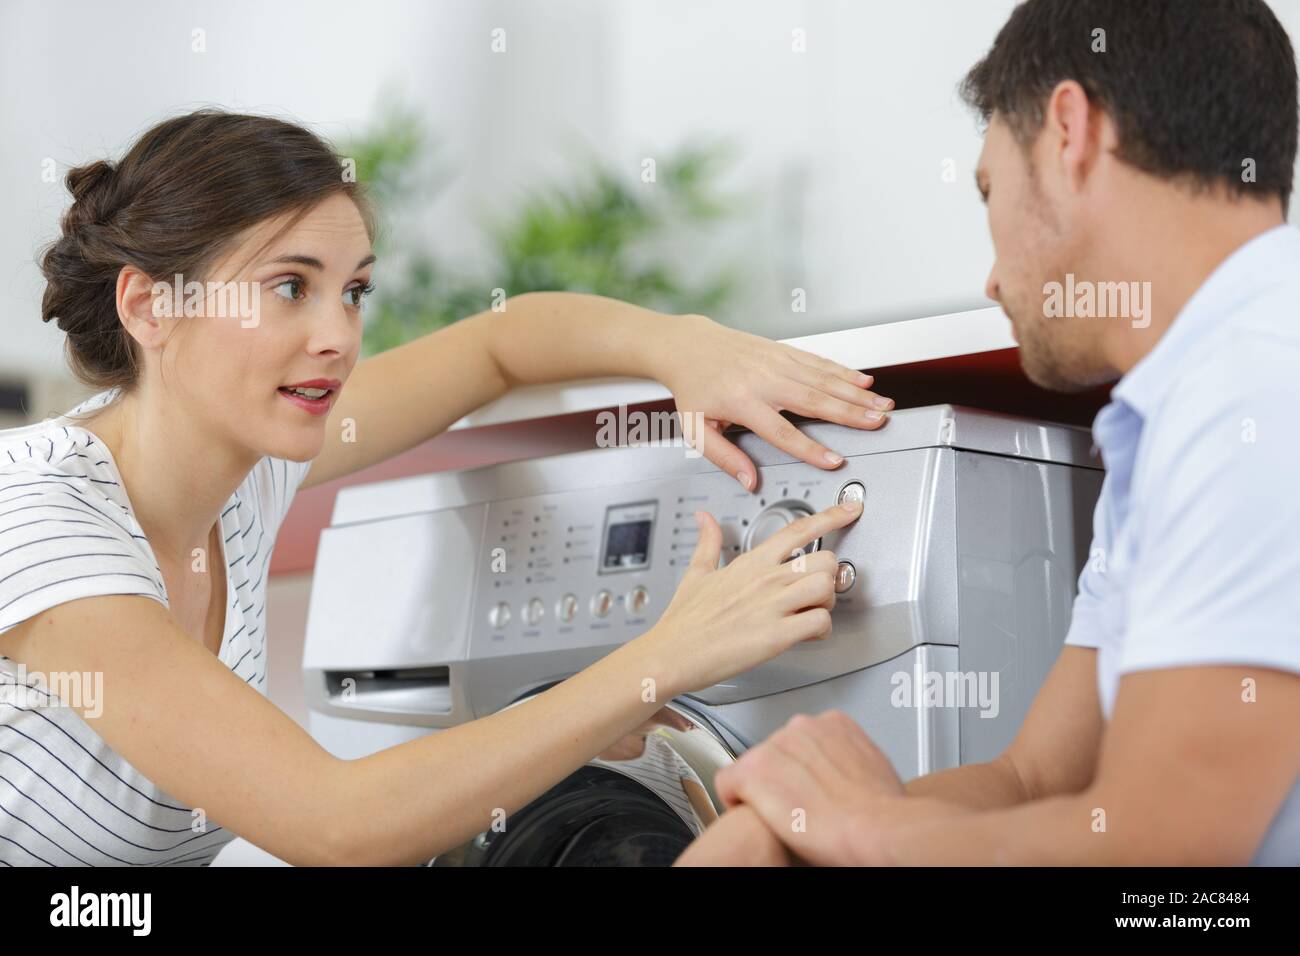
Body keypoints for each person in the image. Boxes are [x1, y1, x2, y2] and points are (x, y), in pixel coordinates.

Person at [0, 107, 892, 866]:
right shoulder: (42, 517)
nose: (337, 337)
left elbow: (499, 346)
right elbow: (335, 821)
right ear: (151, 307)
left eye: (353, 291)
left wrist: (683, 346)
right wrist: (666, 658)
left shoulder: (248, 460)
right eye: (288, 288)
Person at [677, 0, 1300, 866]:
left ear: (1068, 133)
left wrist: (866, 829)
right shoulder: (1179, 416)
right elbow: (1035, 778)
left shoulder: (1258, 385)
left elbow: (1166, 852)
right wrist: (786, 827)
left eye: (988, 191)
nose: (994, 279)